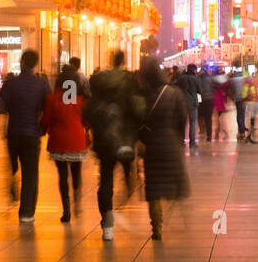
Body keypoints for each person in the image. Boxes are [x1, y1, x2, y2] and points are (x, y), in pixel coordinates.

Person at [87, 49, 144, 241]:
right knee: (128, 170)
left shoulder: (99, 81)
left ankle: (107, 224)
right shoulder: (130, 81)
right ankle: (127, 191)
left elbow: (88, 109)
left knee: (105, 181)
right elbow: (138, 108)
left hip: (104, 138)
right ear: (124, 61)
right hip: (125, 138)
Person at [137, 59, 191, 241]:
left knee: (153, 190)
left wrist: (143, 139)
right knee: (172, 182)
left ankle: (157, 229)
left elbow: (138, 122)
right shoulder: (174, 93)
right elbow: (183, 118)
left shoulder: (143, 95)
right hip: (170, 143)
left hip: (151, 146)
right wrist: (177, 138)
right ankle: (182, 220)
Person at [0, 49, 51, 223]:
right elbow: (48, 108)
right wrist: (43, 129)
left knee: (13, 165)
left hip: (13, 133)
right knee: (31, 173)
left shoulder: (11, 83)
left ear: (21, 62)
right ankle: (26, 213)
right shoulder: (42, 84)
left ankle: (13, 183)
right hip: (32, 134)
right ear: (35, 64)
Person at [42, 61, 88, 223]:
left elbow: (46, 120)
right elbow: (86, 121)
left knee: (62, 176)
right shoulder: (80, 100)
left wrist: (43, 131)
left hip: (59, 141)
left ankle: (66, 209)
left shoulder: (52, 99)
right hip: (77, 141)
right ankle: (77, 201)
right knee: (76, 173)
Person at [176, 64, 202, 150]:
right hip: (193, 104)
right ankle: (192, 143)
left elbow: (176, 88)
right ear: (194, 70)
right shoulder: (196, 79)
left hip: (182, 102)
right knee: (192, 123)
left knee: (181, 123)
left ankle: (181, 142)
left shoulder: (181, 78)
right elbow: (200, 91)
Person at [229, 63, 249, 141]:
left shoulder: (232, 80)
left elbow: (230, 90)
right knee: (242, 113)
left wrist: (232, 97)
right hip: (244, 98)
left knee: (239, 114)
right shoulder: (244, 78)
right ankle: (242, 129)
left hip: (237, 98)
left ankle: (242, 129)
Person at [197, 66, 215, 142]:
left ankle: (202, 130)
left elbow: (198, 91)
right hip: (210, 100)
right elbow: (213, 88)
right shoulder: (211, 79)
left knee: (200, 116)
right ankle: (209, 135)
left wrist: (199, 101)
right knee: (208, 118)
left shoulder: (198, 79)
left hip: (201, 100)